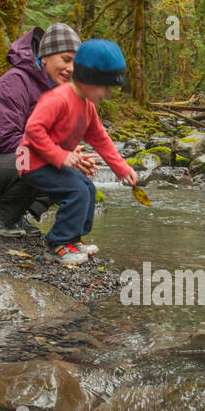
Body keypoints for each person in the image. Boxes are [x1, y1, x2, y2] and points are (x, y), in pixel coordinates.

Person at [16, 39, 138, 267]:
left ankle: (73, 239)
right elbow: (33, 129)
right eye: (107, 87)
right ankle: (56, 244)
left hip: (51, 162)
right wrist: (61, 155)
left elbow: (100, 138)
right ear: (88, 79)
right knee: (75, 191)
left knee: (88, 188)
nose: (110, 94)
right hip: (32, 162)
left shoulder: (87, 106)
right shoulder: (59, 99)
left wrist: (122, 168)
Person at [0, 22, 81, 236]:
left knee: (71, 167)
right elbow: (8, 139)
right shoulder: (14, 82)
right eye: (66, 60)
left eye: (75, 63)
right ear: (46, 56)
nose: (71, 69)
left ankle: (17, 215)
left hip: (9, 165)